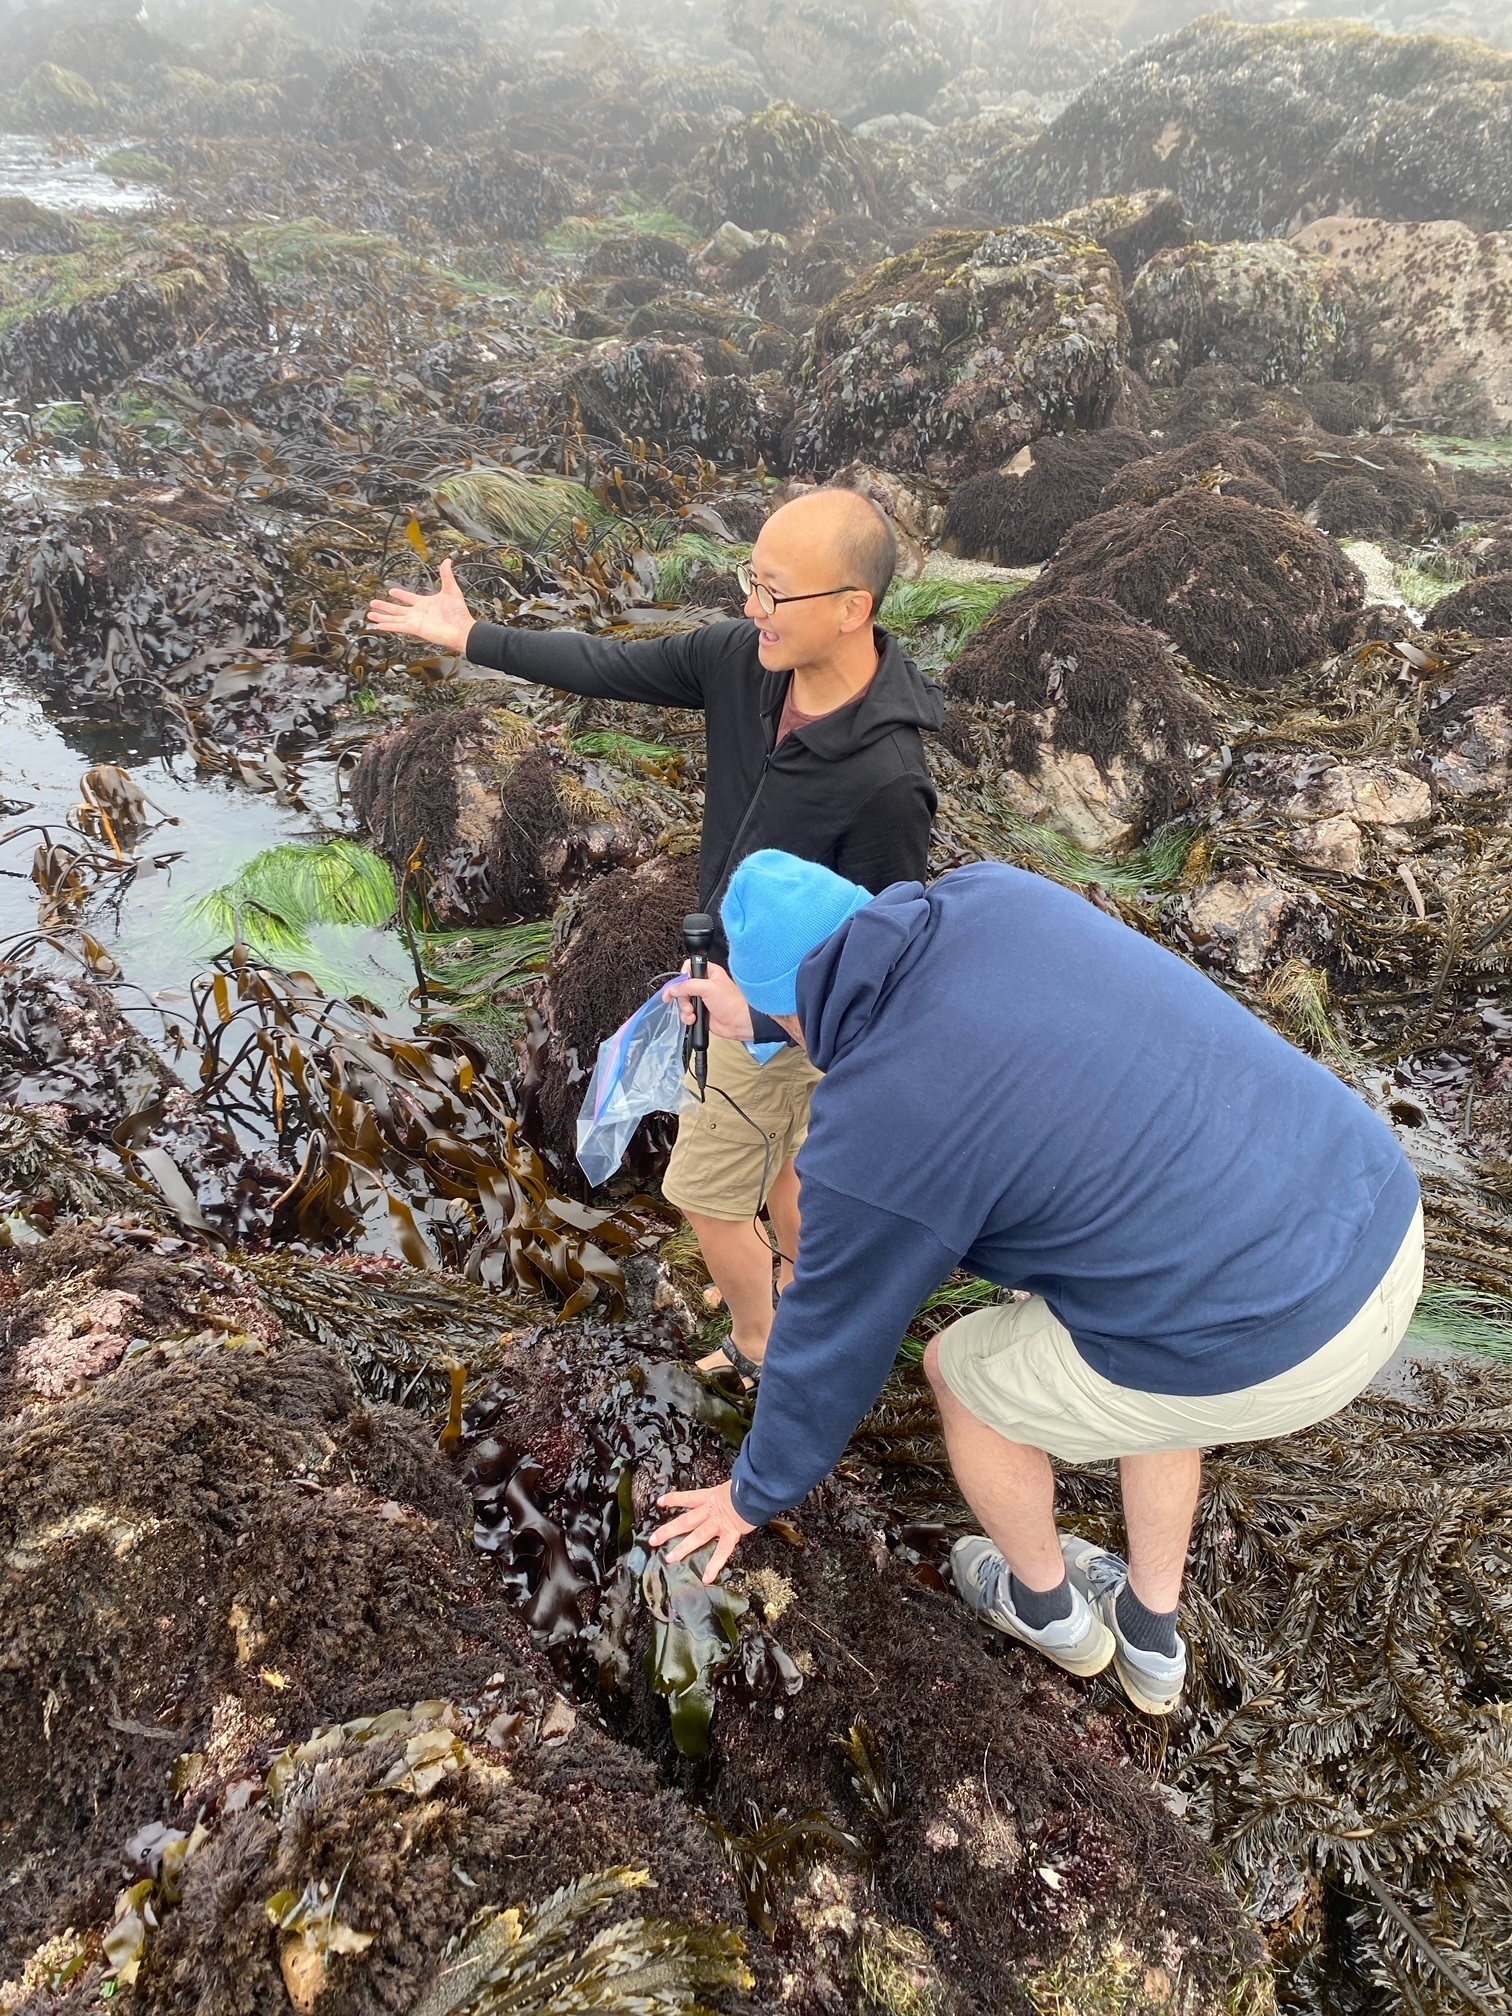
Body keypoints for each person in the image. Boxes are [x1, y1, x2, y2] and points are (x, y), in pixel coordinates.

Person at [650, 849, 1423, 1715]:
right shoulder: (992, 892)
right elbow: (880, 1007)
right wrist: (763, 1014)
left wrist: (754, 1491)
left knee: (962, 1373)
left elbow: (829, 1343)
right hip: (1373, 1202)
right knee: (1138, 1312)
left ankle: (1049, 1608)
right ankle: (1151, 1632)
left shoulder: (876, 1126)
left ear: (786, 1002)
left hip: (1278, 1338)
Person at [366, 489, 943, 1381]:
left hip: (785, 1020)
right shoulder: (742, 662)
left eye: (773, 592)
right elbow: (605, 664)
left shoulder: (888, 777)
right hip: (720, 980)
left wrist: (769, 1021)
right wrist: (472, 637)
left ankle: (764, 1348)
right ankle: (791, 1277)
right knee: (792, 1168)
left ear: (851, 608)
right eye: (750, 577)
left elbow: (888, 940)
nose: (752, 605)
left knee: (707, 1198)